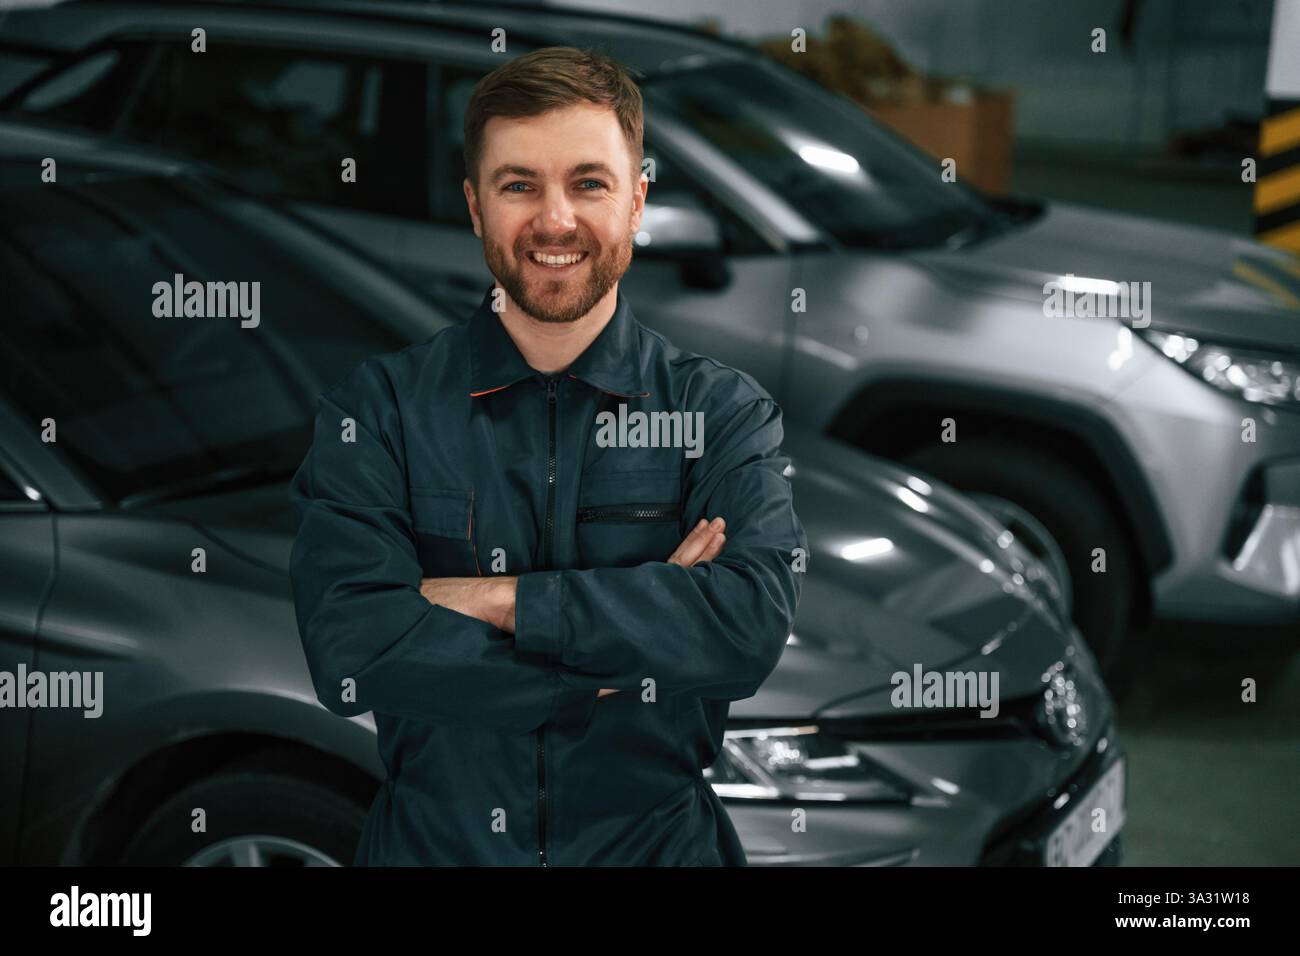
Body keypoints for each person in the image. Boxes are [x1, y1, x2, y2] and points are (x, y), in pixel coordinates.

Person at [288, 46, 806, 866]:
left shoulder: (720, 414)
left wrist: (503, 601)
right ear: (475, 207)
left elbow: (745, 627)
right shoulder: (379, 410)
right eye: (518, 185)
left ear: (636, 202)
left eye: (589, 183)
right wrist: (623, 650)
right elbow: (351, 647)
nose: (555, 221)